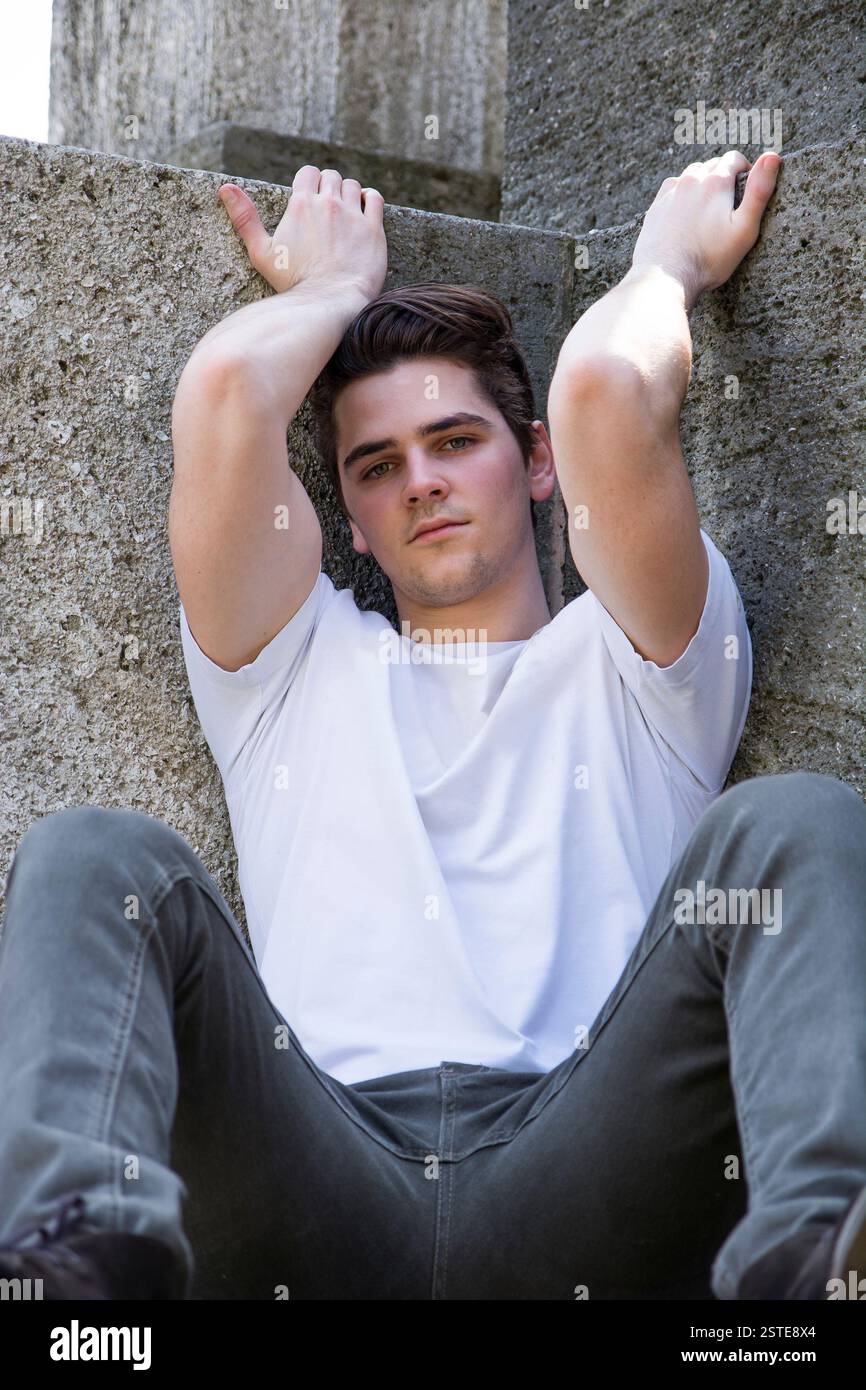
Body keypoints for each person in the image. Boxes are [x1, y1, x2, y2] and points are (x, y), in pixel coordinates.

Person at [1, 153, 864, 1302]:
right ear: (347, 517)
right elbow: (223, 404)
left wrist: (665, 266)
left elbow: (607, 390)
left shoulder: (643, 663)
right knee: (93, 855)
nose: (421, 481)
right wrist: (328, 294)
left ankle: (817, 1265)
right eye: (378, 464)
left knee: (793, 821)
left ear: (537, 460)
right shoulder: (286, 671)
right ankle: (75, 1272)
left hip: (586, 1171)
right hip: (316, 1178)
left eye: (456, 441)